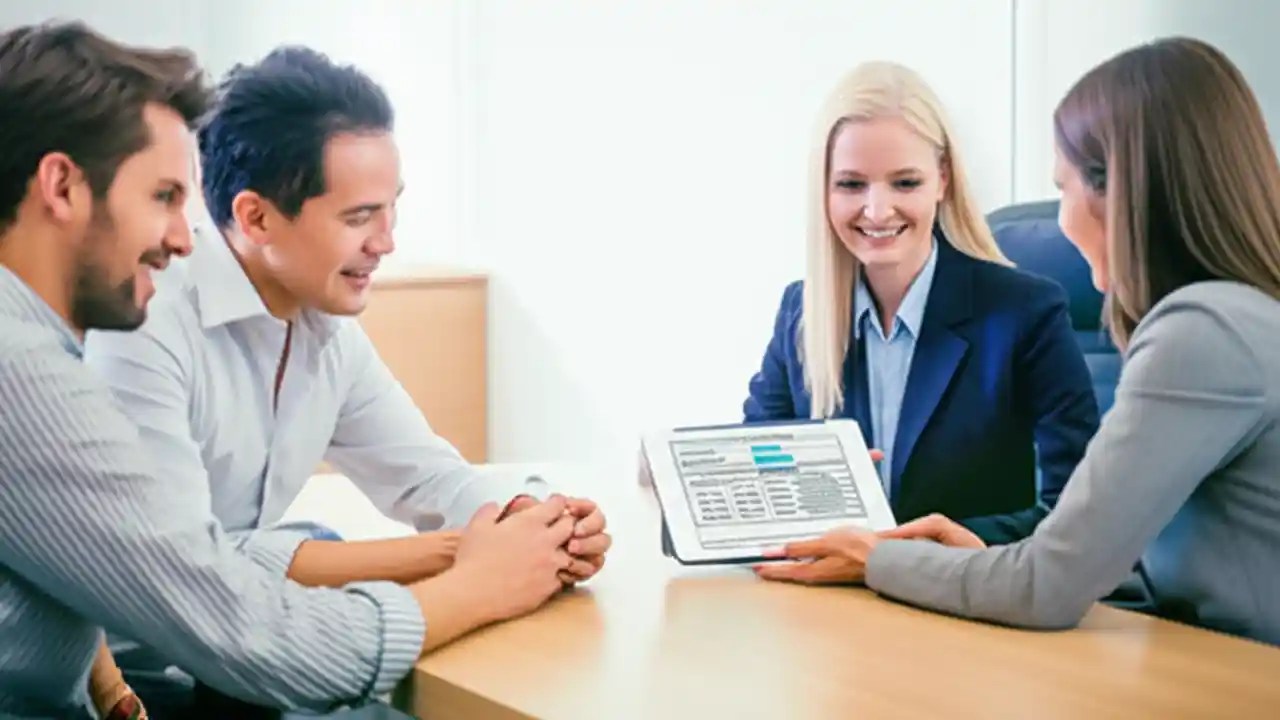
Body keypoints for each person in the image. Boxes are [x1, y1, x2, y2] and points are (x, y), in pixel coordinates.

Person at [0, 20, 585, 718]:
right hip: (188, 668)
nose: (186, 237)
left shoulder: (43, 349)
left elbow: (71, 555)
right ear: (61, 187)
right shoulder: (27, 365)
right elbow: (246, 630)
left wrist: (531, 524)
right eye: (163, 198)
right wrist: (473, 578)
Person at [756, 37, 1280, 647]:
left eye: (1063, 189)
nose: (1057, 221)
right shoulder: (1238, 319)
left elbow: (1050, 578)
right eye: (850, 183)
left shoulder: (1200, 333)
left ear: (1122, 190)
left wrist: (875, 556)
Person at [743, 61, 1099, 544]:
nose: (877, 210)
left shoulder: (1025, 312)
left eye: (905, 183)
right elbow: (758, 476)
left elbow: (1081, 515)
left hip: (965, 603)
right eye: (851, 184)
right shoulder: (802, 313)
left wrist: (921, 550)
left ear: (942, 180)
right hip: (834, 604)